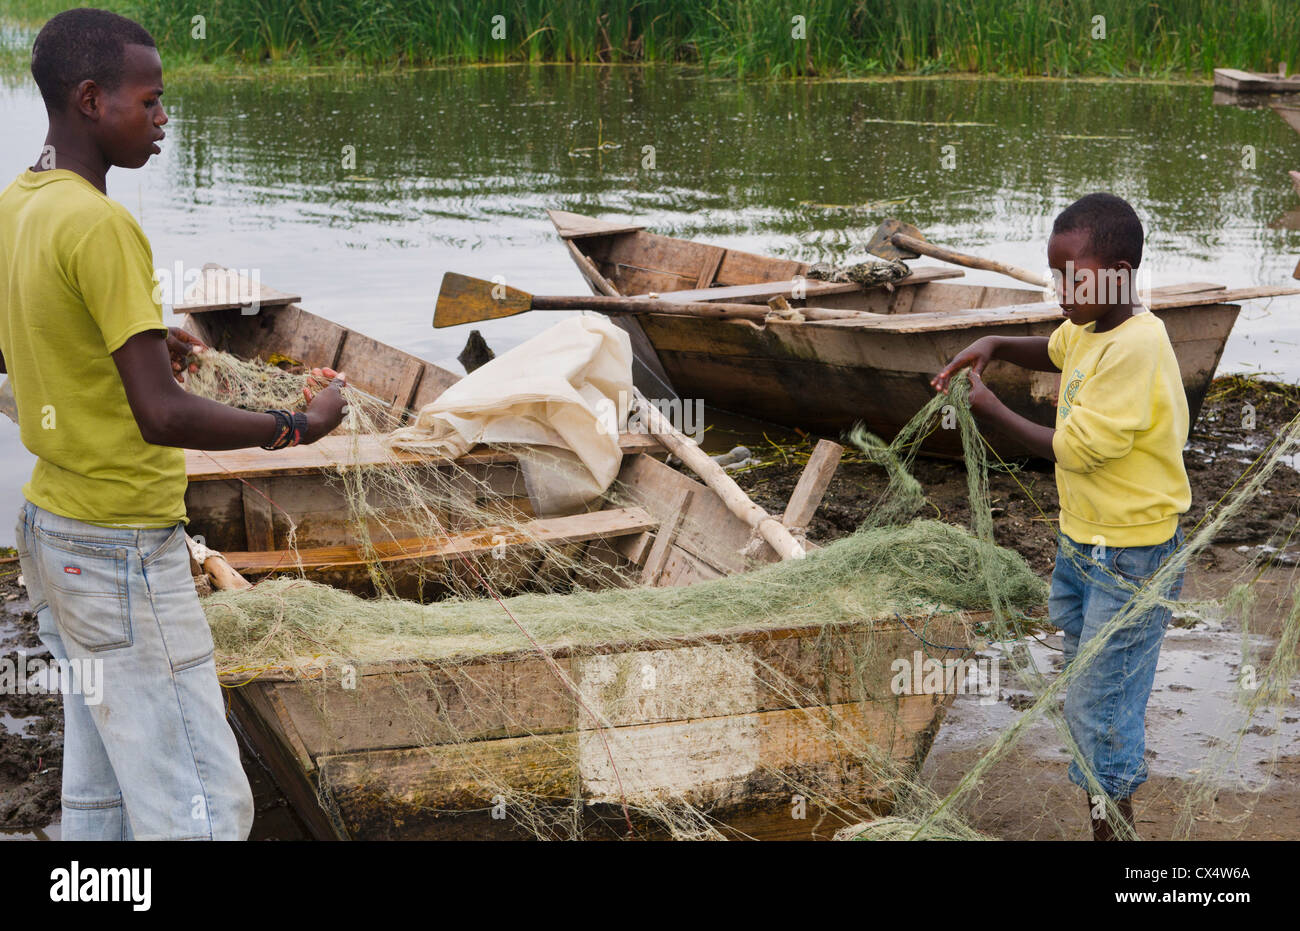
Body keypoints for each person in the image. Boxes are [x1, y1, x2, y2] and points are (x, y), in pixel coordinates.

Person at [0, 8, 348, 840]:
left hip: (54, 530)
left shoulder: (21, 203)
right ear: (90, 98)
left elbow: (21, 346)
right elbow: (159, 416)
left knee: (106, 794)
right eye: (149, 101)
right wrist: (298, 423)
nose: (164, 119)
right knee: (203, 807)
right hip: (121, 547)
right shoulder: (103, 224)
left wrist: (144, 338)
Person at [931, 192, 1190, 840]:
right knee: (1084, 694)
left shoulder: (1137, 344)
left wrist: (991, 410)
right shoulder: (1091, 327)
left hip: (1130, 560)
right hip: (1084, 547)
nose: (1061, 290)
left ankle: (1115, 837)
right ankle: (1104, 824)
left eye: (1073, 277)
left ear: (1120, 272)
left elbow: (1073, 448)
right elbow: (1053, 346)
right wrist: (993, 340)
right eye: (1055, 275)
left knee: (1100, 711)